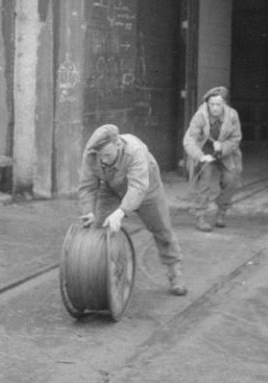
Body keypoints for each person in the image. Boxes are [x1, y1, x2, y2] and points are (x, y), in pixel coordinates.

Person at [78, 124, 187, 296]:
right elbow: (87, 188)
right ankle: (101, 275)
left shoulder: (135, 151)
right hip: (112, 186)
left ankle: (175, 270)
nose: (103, 160)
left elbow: (138, 188)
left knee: (162, 230)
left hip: (146, 188)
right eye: (100, 156)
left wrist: (120, 213)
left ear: (118, 145)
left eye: (107, 155)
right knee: (100, 230)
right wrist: (89, 211)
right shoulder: (91, 154)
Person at [183, 86, 242, 232]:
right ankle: (200, 216)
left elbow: (235, 138)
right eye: (212, 105)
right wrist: (201, 156)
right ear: (207, 104)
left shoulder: (232, 115)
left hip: (225, 151)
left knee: (231, 179)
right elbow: (189, 140)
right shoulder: (200, 115)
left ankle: (221, 211)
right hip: (203, 150)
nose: (215, 108)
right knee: (205, 176)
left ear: (224, 104)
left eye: (218, 104)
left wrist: (221, 147)